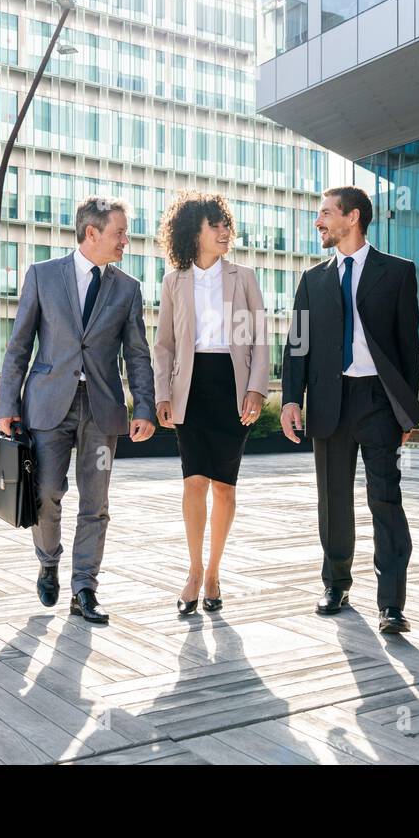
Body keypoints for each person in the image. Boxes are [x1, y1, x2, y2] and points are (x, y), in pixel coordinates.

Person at [0, 196, 156, 624]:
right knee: (46, 491)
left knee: (96, 501)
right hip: (48, 407)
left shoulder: (128, 288)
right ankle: (48, 560)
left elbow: (137, 355)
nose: (127, 240)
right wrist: (7, 402)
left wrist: (144, 407)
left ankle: (85, 586)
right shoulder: (43, 276)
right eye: (120, 232)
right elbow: (19, 345)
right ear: (92, 233)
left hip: (101, 411)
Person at [280, 186, 419, 634]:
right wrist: (290, 398)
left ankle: (392, 604)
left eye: (325, 213)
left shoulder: (398, 273)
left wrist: (406, 412)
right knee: (333, 500)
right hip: (328, 401)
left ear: (352, 217)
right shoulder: (312, 279)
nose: (318, 222)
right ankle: (336, 583)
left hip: (378, 402)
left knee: (386, 500)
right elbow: (297, 343)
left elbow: (407, 347)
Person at [153, 192, 270, 615]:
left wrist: (257, 388)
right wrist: (162, 395)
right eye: (214, 225)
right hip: (191, 387)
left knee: (224, 485)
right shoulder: (173, 281)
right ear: (193, 232)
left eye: (226, 225)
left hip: (232, 386)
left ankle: (215, 573)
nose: (224, 232)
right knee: (193, 482)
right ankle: (194, 571)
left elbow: (260, 337)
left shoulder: (244, 277)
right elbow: (163, 345)